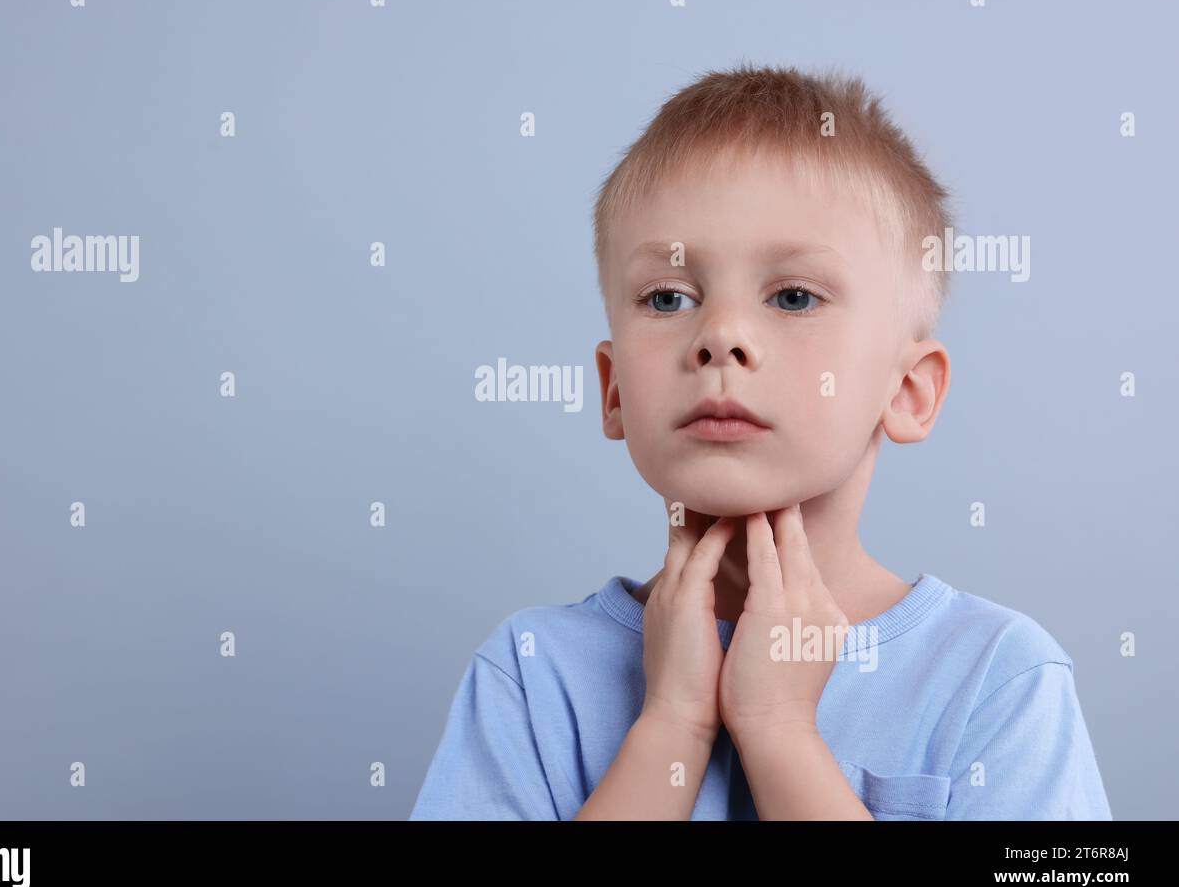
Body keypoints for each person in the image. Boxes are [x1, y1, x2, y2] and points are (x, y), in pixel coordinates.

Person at [409, 64, 1112, 820]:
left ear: (908, 391)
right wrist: (670, 730)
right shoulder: (528, 674)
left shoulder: (1000, 679)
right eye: (668, 297)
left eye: (794, 296)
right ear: (613, 390)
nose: (721, 337)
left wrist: (781, 735)